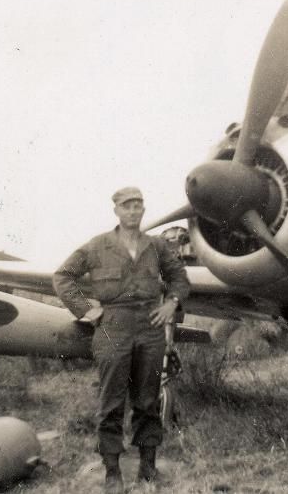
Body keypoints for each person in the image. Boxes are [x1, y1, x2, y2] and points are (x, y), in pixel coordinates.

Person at [53, 186, 191, 493]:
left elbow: (179, 278)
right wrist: (86, 311)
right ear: (116, 210)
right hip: (111, 326)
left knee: (147, 399)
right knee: (111, 401)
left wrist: (170, 304)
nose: (133, 210)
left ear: (143, 210)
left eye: (138, 205)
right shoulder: (98, 245)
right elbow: (62, 276)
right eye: (127, 206)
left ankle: (148, 468)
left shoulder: (155, 245)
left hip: (150, 325)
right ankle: (113, 472)